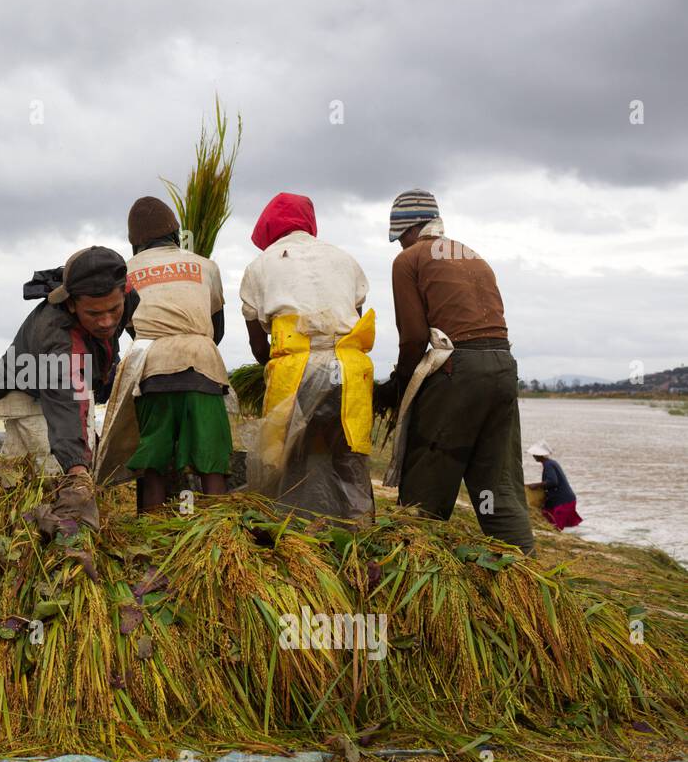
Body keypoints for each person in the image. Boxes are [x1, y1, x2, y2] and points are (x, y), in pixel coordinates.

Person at [376, 189, 535, 554]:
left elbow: (414, 338)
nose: (399, 246)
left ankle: (415, 570)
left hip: (459, 371)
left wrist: (398, 384)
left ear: (410, 230)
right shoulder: (472, 255)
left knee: (425, 490)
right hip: (502, 368)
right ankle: (532, 579)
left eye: (399, 238)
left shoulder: (410, 260)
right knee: (498, 489)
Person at [239, 193, 374, 521]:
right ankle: (359, 535)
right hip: (350, 372)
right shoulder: (343, 258)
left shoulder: (260, 266)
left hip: (296, 373)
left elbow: (259, 348)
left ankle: (297, 532)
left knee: (294, 457)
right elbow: (353, 317)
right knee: (348, 455)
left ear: (268, 230)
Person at [95, 196, 229, 511]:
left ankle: (149, 536)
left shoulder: (124, 273)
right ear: (175, 233)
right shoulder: (205, 265)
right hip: (203, 366)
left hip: (151, 372)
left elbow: (129, 329)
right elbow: (216, 329)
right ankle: (222, 535)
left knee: (151, 463)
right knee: (212, 459)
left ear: (134, 243)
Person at [0, 245, 136, 532]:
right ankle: (52, 551)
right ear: (71, 304)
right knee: (51, 484)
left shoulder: (127, 296)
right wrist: (76, 470)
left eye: (114, 309)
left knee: (62, 484)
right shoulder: (56, 335)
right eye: (94, 313)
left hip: (73, 386)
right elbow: (65, 397)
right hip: (30, 398)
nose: (107, 321)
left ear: (125, 292)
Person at [527, 440, 583, 530]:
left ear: (539, 455)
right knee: (547, 517)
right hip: (563, 500)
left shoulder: (548, 465)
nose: (533, 456)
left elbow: (552, 482)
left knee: (556, 528)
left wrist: (536, 485)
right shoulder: (551, 463)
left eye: (534, 454)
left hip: (563, 501)